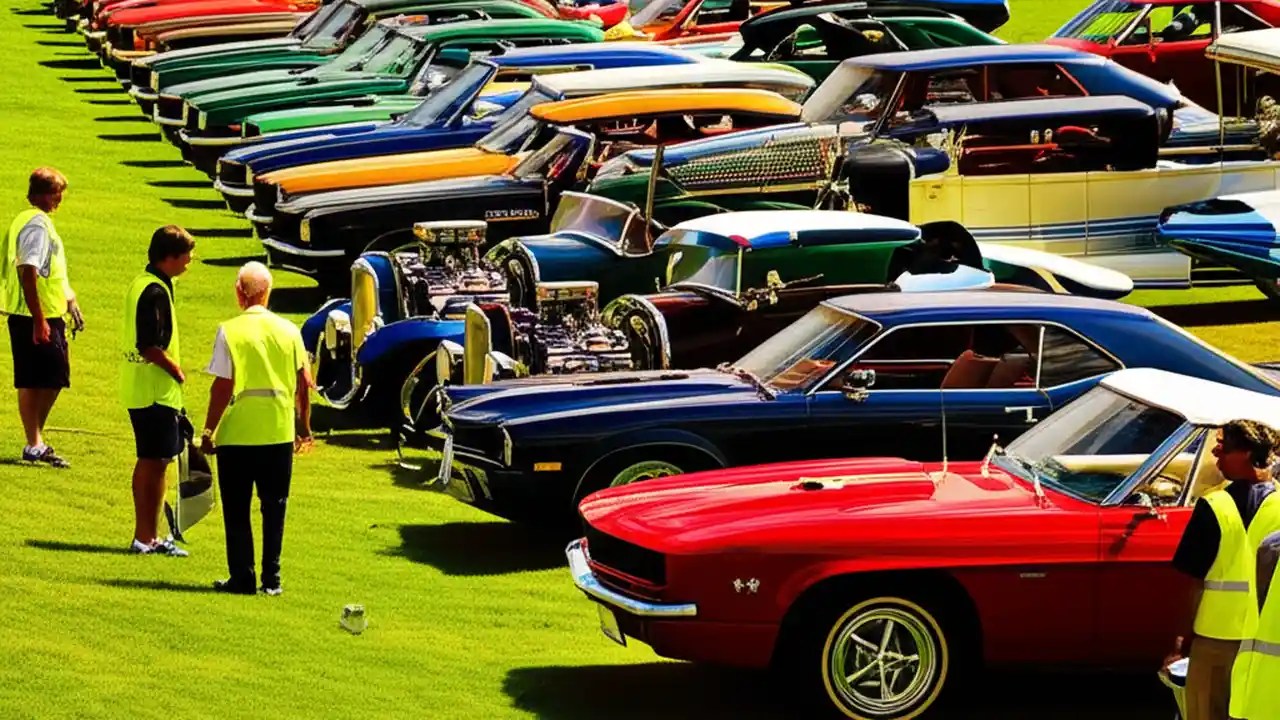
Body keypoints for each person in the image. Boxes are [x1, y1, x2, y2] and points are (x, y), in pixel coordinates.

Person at [200, 262, 313, 596]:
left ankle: (242, 576)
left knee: (237, 509)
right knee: (274, 506)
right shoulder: (290, 331)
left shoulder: (230, 330)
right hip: (277, 430)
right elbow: (303, 385)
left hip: (238, 432)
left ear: (239, 291)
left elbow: (222, 386)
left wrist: (208, 431)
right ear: (269, 290)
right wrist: (304, 428)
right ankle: (272, 579)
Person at [1169, 419, 1280, 720]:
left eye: (1221, 450)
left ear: (1244, 453)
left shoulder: (1214, 506)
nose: (1216, 458)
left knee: (1204, 712)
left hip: (1215, 640)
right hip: (1268, 645)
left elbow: (1194, 582)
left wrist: (1180, 642)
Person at [120, 226, 195, 556]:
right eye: (186, 258)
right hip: (154, 392)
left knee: (151, 461)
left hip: (140, 388)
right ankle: (146, 537)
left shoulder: (145, 282)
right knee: (155, 462)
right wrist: (175, 369)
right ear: (169, 257)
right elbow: (149, 345)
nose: (188, 264)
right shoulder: (155, 291)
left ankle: (146, 535)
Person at [1, 167, 83, 468]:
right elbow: (28, 271)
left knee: (45, 378)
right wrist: (39, 320)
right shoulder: (36, 225)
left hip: (43, 312)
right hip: (34, 315)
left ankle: (35, 440)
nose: (60, 199)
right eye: (57, 193)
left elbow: (51, 271)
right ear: (45, 193)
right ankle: (34, 442)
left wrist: (70, 299)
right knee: (43, 378)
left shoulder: (32, 220)